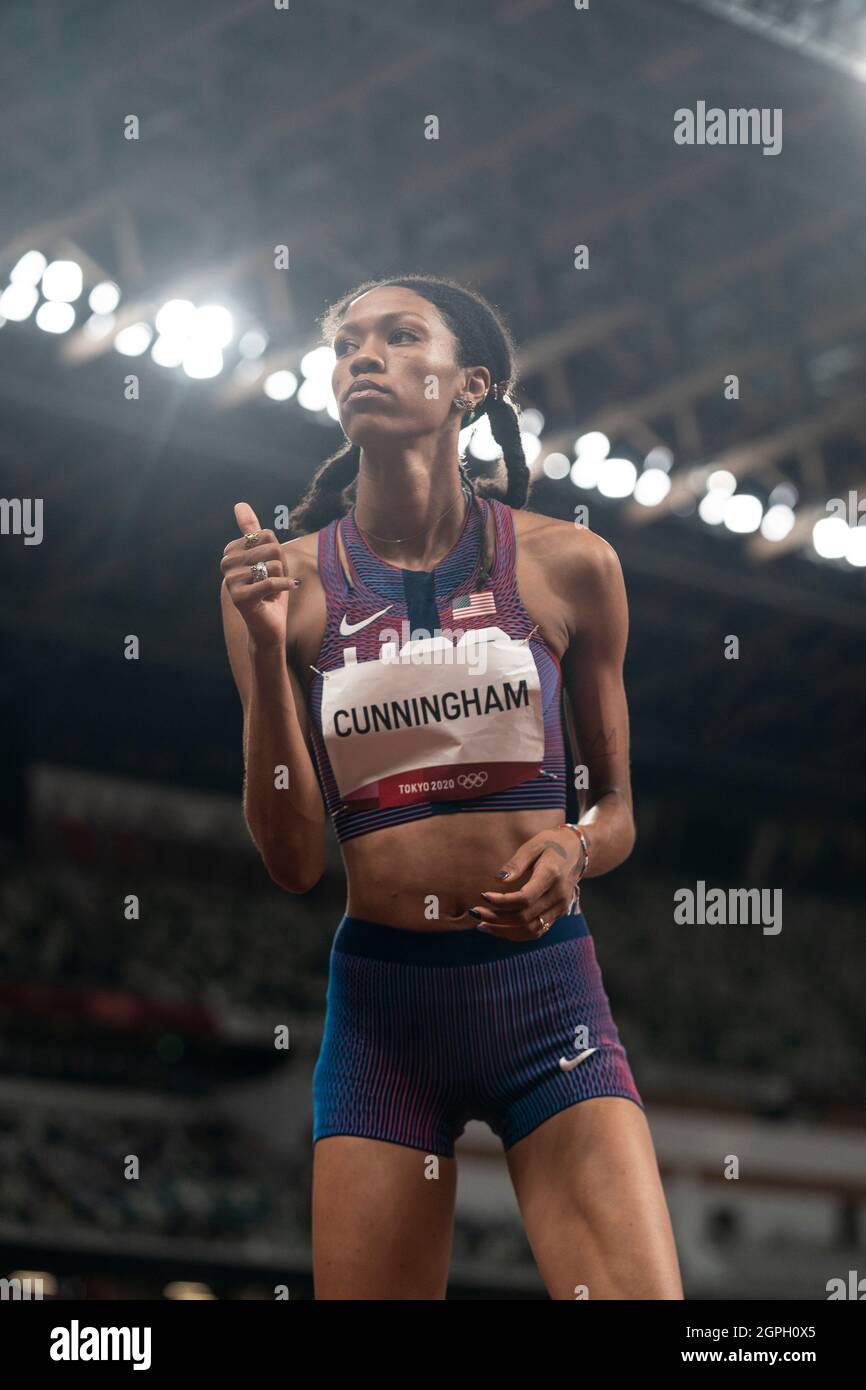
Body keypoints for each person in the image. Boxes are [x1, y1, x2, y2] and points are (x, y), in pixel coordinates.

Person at [220, 273, 683, 1300]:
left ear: (469, 385)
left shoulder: (569, 567)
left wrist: (571, 847)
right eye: (346, 345)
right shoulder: (279, 586)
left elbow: (615, 814)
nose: (362, 357)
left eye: (395, 336)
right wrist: (261, 662)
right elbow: (295, 863)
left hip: (543, 1001)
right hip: (385, 1015)